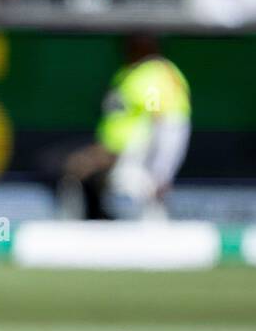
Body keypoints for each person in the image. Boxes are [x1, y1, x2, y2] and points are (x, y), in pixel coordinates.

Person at [61, 36, 190, 221]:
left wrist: (159, 169)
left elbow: (158, 116)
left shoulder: (153, 73)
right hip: (113, 149)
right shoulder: (129, 72)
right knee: (80, 172)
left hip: (135, 153)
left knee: (130, 190)